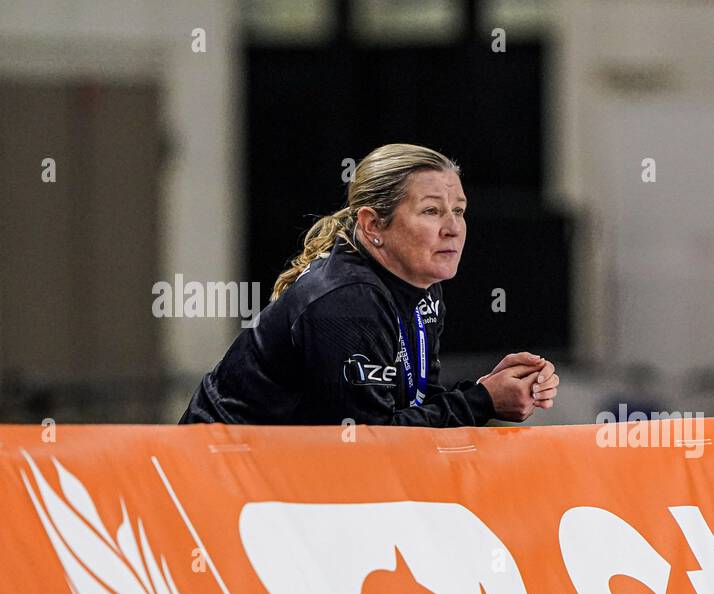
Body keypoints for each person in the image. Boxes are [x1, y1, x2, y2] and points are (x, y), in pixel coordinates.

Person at [178, 143, 559, 427]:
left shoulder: (421, 286)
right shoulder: (346, 300)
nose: (453, 228)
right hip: (214, 477)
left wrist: (490, 389)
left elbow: (411, 406)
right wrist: (482, 401)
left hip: (282, 475)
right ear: (373, 225)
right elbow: (367, 441)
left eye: (458, 210)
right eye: (431, 211)